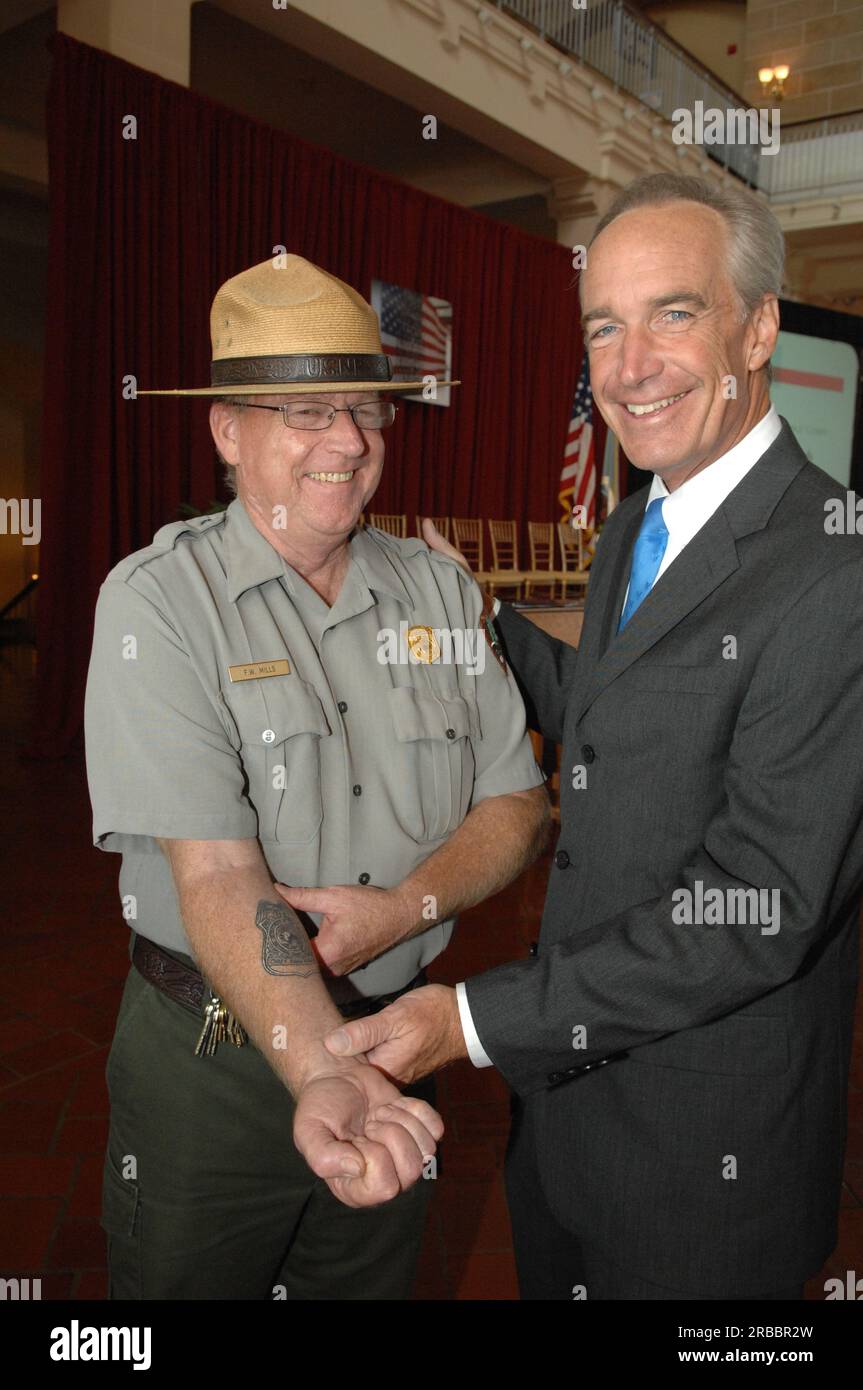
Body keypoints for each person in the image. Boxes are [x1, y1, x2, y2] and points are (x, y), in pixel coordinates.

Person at [324, 173, 863, 1301]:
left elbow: (755, 908)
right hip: (566, 1126)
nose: (628, 366)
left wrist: (469, 1019)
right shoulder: (636, 522)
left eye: (673, 312)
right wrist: (486, 622)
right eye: (603, 327)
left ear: (757, 327)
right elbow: (615, 722)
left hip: (702, 1173)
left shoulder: (831, 570)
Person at [84, 254, 549, 1299]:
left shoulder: (436, 593)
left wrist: (403, 910)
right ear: (225, 433)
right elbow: (211, 874)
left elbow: (516, 800)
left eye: (365, 410)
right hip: (216, 1070)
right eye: (305, 411)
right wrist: (321, 1068)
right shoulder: (158, 606)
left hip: (396, 1050)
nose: (348, 440)